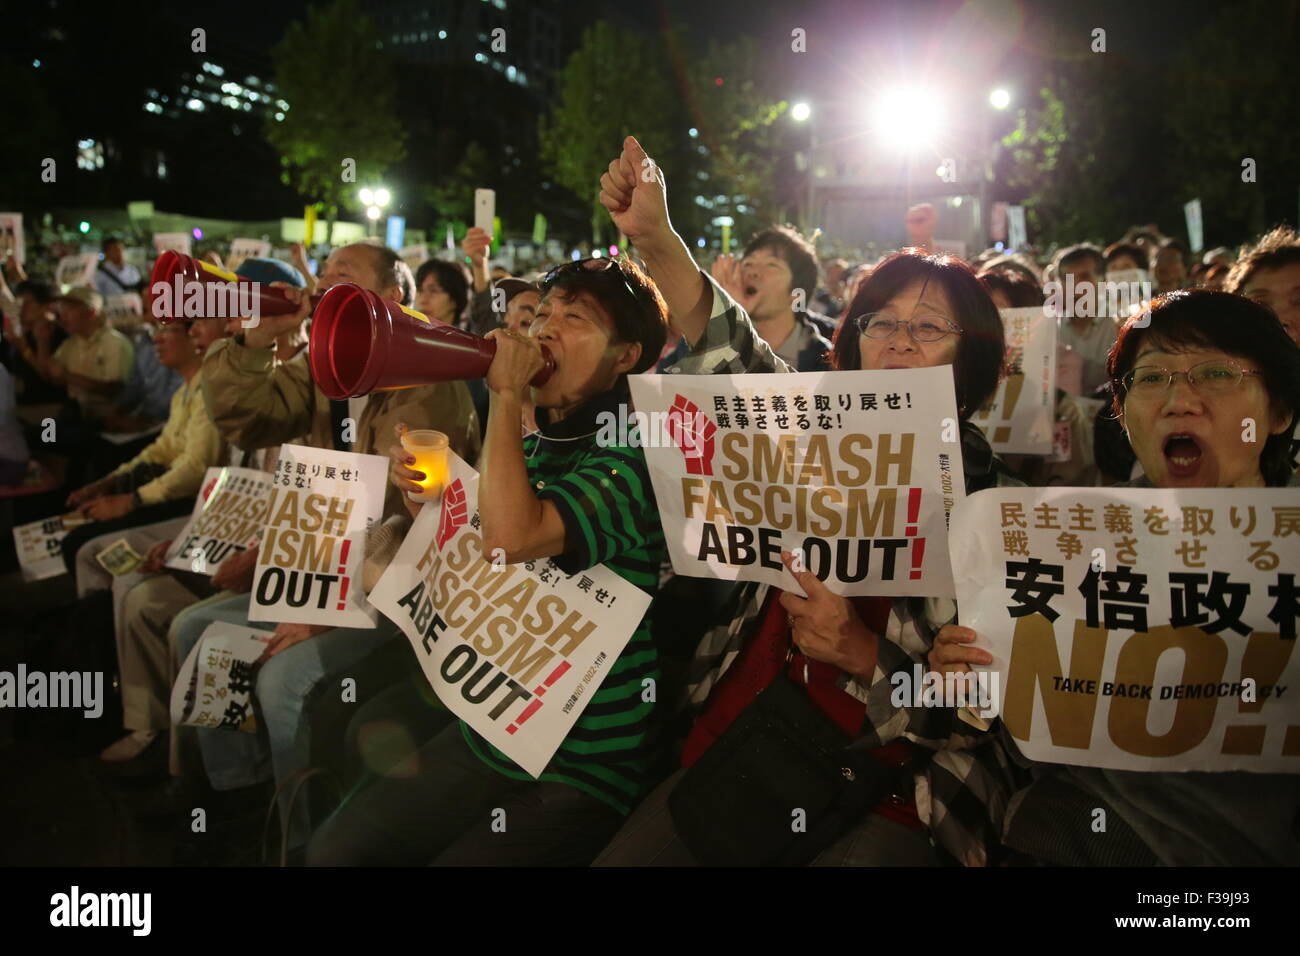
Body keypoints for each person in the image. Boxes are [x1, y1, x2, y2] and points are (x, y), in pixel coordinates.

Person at [590, 135, 1014, 866]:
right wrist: (656, 238)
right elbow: (731, 352)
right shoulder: (807, 430)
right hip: (741, 747)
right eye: (881, 322)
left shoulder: (997, 511)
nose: (898, 342)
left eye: (927, 327)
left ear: (969, 359)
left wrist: (861, 652)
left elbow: (982, 712)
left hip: (892, 792)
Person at [308, 254, 672, 867]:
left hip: (578, 761)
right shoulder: (542, 437)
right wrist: (431, 502)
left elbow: (512, 538)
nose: (545, 328)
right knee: (335, 851)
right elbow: (484, 543)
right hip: (497, 725)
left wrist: (504, 394)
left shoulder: (635, 451)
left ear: (626, 356)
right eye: (544, 313)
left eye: (575, 317)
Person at [929, 291, 1300, 865]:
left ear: (1278, 413)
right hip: (1078, 832)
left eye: (1216, 373)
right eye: (1151, 378)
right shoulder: (1066, 540)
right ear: (1124, 417)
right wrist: (971, 677)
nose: (1180, 401)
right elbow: (1016, 730)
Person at [162, 240, 482, 851]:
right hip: (321, 573)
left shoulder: (426, 380)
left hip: (393, 590)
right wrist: (258, 339)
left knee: (284, 682)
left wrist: (328, 608)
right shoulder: (323, 365)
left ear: (391, 298)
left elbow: (412, 523)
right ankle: (240, 792)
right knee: (195, 630)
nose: (325, 283)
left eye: (345, 274)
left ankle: (302, 839)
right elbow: (246, 418)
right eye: (324, 272)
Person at [60, 317, 228, 586]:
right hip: (176, 492)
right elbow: (163, 449)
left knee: (82, 545)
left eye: (169, 330)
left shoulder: (213, 390)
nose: (156, 339)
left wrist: (131, 500)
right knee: (79, 534)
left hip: (195, 501)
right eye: (157, 329)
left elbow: (196, 468)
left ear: (195, 338)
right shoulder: (185, 391)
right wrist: (111, 481)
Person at [700, 225, 835, 371]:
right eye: (748, 263)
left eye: (771, 265)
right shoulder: (719, 338)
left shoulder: (827, 360)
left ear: (797, 293)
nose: (753, 272)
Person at [1051, 244, 1116, 395]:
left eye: (1085, 276)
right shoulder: (1050, 327)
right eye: (1068, 278)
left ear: (1104, 280)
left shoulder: (1120, 323)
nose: (1076, 285)